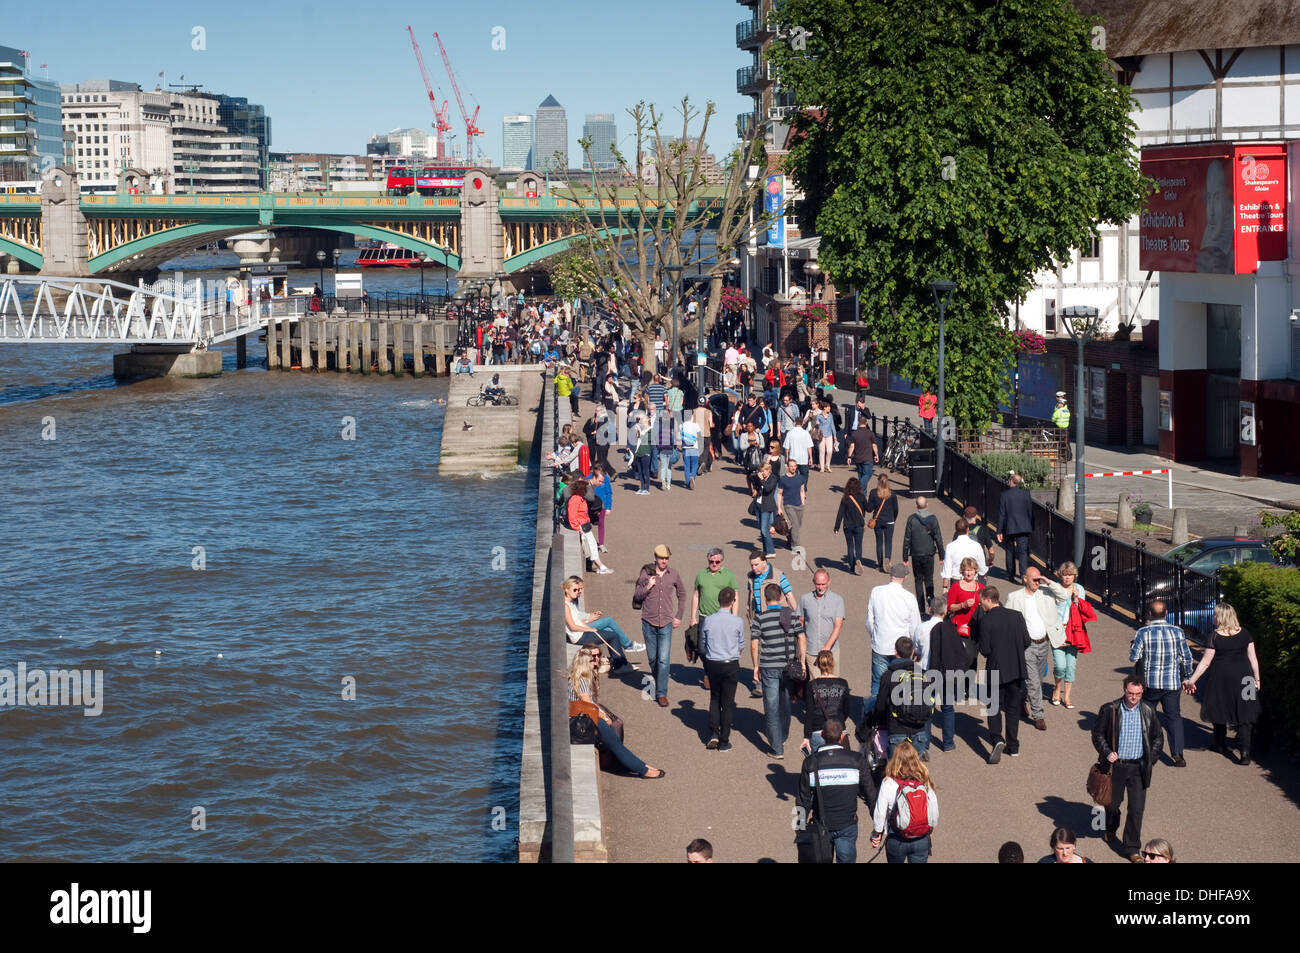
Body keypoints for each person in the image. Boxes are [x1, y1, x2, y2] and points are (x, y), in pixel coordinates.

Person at [1092, 675, 1163, 862]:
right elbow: (1097, 733)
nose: (1134, 697)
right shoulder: (1110, 709)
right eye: (1130, 693)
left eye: (1138, 694)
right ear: (1124, 690)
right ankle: (1110, 826)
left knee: (1137, 809)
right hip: (1116, 767)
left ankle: (1132, 848)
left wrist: (1151, 758)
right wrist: (1107, 752)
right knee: (1112, 804)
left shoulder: (1148, 710)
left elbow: (1158, 737)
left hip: (1139, 767)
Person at [1183, 603, 1261, 766]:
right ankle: (1245, 753)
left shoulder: (1214, 636)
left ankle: (1219, 744)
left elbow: (1205, 662)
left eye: (1215, 615)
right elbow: (1253, 658)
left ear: (1220, 617)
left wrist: (1192, 680)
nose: (1213, 617)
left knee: (1220, 708)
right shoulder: (1245, 633)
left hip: (1221, 678)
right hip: (1246, 678)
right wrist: (1257, 679)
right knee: (1245, 714)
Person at [568, 649, 665, 779]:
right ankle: (643, 770)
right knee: (616, 744)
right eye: (592, 661)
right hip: (588, 720)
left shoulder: (574, 678)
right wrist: (604, 717)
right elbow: (588, 705)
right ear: (585, 664)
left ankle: (640, 765)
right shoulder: (582, 681)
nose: (595, 663)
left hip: (581, 718)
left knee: (614, 742)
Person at [1004, 566, 1071, 732]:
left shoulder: (1045, 591)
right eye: (1034, 579)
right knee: (1033, 681)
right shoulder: (1014, 597)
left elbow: (1064, 596)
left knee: (1038, 680)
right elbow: (1006, 620)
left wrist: (1048, 582)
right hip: (1026, 645)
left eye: (1038, 579)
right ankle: (1039, 715)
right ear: (1025, 579)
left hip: (1044, 643)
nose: (1036, 582)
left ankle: (1021, 700)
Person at [1129, 599, 1194, 767]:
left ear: (1149, 614)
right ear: (1166, 613)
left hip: (1150, 682)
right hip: (1172, 682)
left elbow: (1133, 657)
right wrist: (1188, 677)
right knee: (1173, 716)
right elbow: (1187, 657)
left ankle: (1147, 751)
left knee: (1147, 715)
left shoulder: (1143, 632)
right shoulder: (1177, 631)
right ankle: (1178, 753)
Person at [751, 581, 806, 759]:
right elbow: (801, 638)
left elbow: (754, 644)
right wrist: (802, 661)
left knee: (771, 705)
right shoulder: (790, 615)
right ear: (781, 597)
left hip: (768, 666)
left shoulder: (760, 618)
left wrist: (755, 665)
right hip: (788, 665)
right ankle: (783, 735)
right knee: (786, 702)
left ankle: (777, 748)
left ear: (766, 599)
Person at [797, 719, 863, 863]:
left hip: (821, 825)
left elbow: (803, 799)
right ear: (841, 737)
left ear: (821, 735)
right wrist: (879, 826)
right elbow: (870, 793)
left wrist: (799, 828)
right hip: (847, 825)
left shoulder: (810, 762)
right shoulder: (856, 759)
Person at [976, 586, 1030, 763]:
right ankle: (1013, 746)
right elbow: (1026, 641)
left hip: (996, 670)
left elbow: (985, 649)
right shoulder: (1016, 616)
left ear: (988, 599)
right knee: (1013, 710)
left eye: (981, 600)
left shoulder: (986, 620)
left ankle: (997, 738)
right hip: (1016, 669)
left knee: (994, 707)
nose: (980, 604)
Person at [633, 544, 687, 708]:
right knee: (653, 658)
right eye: (661, 558)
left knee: (663, 660)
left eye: (666, 558)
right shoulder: (646, 573)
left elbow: (682, 594)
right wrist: (648, 586)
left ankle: (661, 693)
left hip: (666, 623)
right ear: (655, 558)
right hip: (648, 621)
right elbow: (637, 595)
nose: (664, 561)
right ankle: (658, 680)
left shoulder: (674, 574)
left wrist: (678, 616)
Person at [870, 740, 938, 863]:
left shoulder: (888, 782)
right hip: (920, 838)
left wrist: (877, 833)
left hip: (896, 838)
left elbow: (880, 812)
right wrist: (930, 828)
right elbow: (933, 807)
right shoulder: (923, 780)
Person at [865, 564, 921, 713]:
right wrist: (915, 647)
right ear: (905, 577)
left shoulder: (876, 592)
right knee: (900, 685)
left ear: (891, 575)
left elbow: (870, 621)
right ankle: (898, 716)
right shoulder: (909, 598)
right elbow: (915, 626)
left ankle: (874, 718)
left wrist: (875, 636)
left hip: (880, 645)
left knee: (877, 683)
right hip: (901, 649)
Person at [700, 586, 746, 752]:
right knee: (727, 703)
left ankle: (713, 732)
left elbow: (704, 642)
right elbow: (741, 644)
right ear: (733, 602)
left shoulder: (709, 620)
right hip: (730, 663)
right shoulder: (738, 622)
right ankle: (724, 741)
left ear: (718, 601)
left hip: (713, 663)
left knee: (714, 697)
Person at [928, 595, 975, 753]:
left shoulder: (923, 628)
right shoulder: (951, 629)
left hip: (928, 672)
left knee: (928, 707)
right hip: (947, 673)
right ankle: (948, 742)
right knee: (947, 707)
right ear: (945, 611)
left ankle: (924, 742)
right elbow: (960, 650)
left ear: (930, 610)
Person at [874, 636, 933, 757]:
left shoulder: (889, 674)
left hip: (897, 730)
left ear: (895, 652)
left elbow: (880, 706)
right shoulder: (921, 674)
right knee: (915, 772)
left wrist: (875, 722)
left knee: (895, 771)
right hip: (919, 731)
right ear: (912, 653)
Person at [691, 547, 740, 692]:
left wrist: (734, 617)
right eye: (711, 561)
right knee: (701, 649)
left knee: (720, 648)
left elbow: (735, 597)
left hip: (723, 618)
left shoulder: (729, 576)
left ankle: (715, 675)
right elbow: (696, 595)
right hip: (704, 617)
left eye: (717, 561)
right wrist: (693, 616)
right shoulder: (701, 575)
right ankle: (709, 671)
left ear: (722, 561)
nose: (714, 564)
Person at [562, 576, 632, 671]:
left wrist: (588, 624)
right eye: (575, 590)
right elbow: (572, 627)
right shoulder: (566, 606)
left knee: (609, 632)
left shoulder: (571, 603)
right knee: (613, 636)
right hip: (578, 636)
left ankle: (621, 662)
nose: (578, 592)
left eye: (579, 589)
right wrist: (589, 629)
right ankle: (620, 666)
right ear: (567, 590)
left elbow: (578, 621)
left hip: (581, 632)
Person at [801, 651, 851, 755]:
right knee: (842, 765)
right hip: (838, 730)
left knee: (818, 765)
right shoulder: (843, 683)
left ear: (818, 665)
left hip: (818, 730)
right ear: (833, 663)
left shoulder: (812, 685)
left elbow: (809, 713)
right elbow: (847, 710)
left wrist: (806, 737)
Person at [901, 495, 945, 613]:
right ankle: (930, 603)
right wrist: (942, 555)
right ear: (927, 505)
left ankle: (920, 607)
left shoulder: (911, 519)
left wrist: (905, 557)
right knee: (929, 579)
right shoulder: (933, 519)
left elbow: (907, 539)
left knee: (918, 580)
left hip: (916, 554)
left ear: (916, 506)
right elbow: (938, 538)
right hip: (929, 553)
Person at [799, 571, 845, 675]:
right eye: (818, 584)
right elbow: (800, 623)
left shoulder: (837, 600)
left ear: (829, 582)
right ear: (813, 582)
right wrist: (800, 648)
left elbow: (838, 626)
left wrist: (827, 647)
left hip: (831, 652)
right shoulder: (805, 599)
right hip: (812, 651)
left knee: (833, 684)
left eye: (823, 584)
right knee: (816, 686)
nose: (820, 587)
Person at [565, 479, 614, 575]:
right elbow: (572, 516)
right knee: (591, 547)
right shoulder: (575, 499)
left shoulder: (579, 498)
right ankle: (601, 567)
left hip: (585, 525)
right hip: (582, 527)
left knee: (592, 547)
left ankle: (600, 566)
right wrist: (578, 528)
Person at [996, 473, 1034, 583]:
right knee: (1023, 552)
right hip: (1024, 527)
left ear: (1011, 481)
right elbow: (1030, 512)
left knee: (1010, 551)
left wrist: (999, 530)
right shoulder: (1026, 494)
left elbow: (1002, 514)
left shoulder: (1004, 495)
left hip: (1010, 527)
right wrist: (1031, 525)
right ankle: (1023, 575)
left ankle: (1011, 574)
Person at [941, 518, 988, 593]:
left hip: (956, 581)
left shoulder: (950, 546)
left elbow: (947, 569)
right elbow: (982, 568)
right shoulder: (976, 545)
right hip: (972, 580)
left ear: (956, 530)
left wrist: (945, 587)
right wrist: (983, 575)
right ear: (968, 529)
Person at [832, 476, 869, 574]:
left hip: (847, 526)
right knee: (858, 545)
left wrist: (836, 527)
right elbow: (869, 508)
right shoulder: (862, 497)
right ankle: (858, 559)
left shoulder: (845, 498)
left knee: (850, 546)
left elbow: (840, 513)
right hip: (859, 525)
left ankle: (852, 567)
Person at [865, 474, 899, 573]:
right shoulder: (892, 494)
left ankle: (880, 565)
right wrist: (893, 519)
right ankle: (887, 558)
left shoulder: (873, 493)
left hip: (878, 521)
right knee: (888, 542)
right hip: (889, 520)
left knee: (879, 542)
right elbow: (896, 509)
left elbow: (869, 509)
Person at [777, 458, 807, 552]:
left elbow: (802, 491)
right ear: (788, 467)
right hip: (788, 505)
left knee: (798, 525)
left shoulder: (800, 478)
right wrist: (779, 507)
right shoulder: (783, 479)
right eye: (791, 466)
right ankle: (795, 546)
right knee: (795, 525)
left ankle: (790, 536)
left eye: (795, 466)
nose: (793, 468)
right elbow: (779, 493)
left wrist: (803, 502)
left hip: (799, 505)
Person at [752, 462, 780, 557]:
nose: (762, 473)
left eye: (764, 471)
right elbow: (756, 486)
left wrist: (761, 480)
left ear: (769, 471)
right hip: (758, 505)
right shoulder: (761, 478)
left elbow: (768, 489)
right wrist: (756, 477)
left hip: (767, 506)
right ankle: (765, 550)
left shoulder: (773, 478)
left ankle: (771, 551)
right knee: (761, 530)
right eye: (761, 471)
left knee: (764, 530)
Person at [846, 418, 879, 486]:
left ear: (858, 423)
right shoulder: (870, 433)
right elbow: (874, 445)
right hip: (868, 458)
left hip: (858, 458)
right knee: (867, 474)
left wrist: (849, 457)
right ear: (866, 423)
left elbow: (852, 446)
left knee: (861, 475)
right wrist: (876, 455)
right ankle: (859, 486)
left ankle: (862, 495)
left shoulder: (854, 433)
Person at [782, 413, 814, 478]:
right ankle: (803, 487)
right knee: (804, 476)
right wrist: (810, 457)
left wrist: (787, 458)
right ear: (802, 423)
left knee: (793, 477)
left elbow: (787, 448)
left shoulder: (790, 433)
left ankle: (795, 488)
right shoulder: (806, 433)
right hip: (804, 459)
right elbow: (809, 446)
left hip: (793, 459)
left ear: (795, 423)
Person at [812, 400, 837, 472]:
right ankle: (822, 467)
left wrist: (834, 435)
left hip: (829, 435)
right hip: (821, 435)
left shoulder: (830, 415)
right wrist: (817, 423)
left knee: (829, 451)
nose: (829, 408)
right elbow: (816, 426)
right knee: (822, 451)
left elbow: (832, 425)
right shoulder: (819, 416)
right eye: (828, 407)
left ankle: (827, 465)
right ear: (824, 408)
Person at [1052, 392, 1071, 458]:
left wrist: (1055, 418)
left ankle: (1059, 454)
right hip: (1065, 426)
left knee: (1058, 440)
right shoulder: (1065, 407)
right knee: (1066, 441)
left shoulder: (1061, 405)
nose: (1056, 398)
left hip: (1059, 426)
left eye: (1057, 396)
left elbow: (1055, 415)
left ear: (1060, 397)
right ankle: (1068, 455)